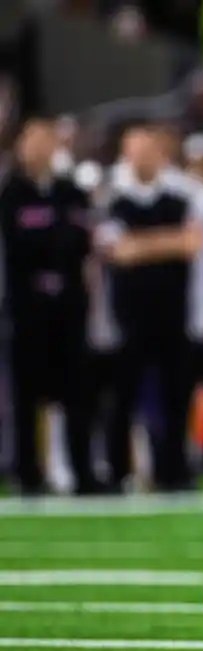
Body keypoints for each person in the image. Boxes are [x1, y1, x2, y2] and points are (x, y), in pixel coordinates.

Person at [98, 122, 203, 492]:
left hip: (173, 312)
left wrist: (140, 244)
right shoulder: (112, 195)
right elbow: (117, 252)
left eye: (150, 147)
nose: (144, 155)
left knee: (177, 395)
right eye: (136, 147)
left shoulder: (179, 195)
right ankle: (117, 472)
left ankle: (173, 471)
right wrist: (167, 242)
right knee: (123, 396)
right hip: (128, 315)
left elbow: (192, 243)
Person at [0, 117, 97, 495]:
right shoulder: (11, 193)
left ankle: (82, 471)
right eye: (33, 139)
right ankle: (28, 474)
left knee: (78, 393)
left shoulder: (72, 192)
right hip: (26, 308)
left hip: (69, 307)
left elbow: (83, 243)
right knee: (25, 395)